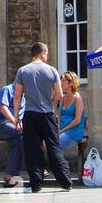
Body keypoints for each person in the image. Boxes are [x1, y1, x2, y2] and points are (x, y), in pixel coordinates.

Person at [12, 42, 73, 192]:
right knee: (54, 147)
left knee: (33, 150)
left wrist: (16, 117)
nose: (47, 56)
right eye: (47, 53)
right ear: (42, 53)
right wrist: (51, 98)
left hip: (30, 114)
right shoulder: (51, 70)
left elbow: (17, 96)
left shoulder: (23, 71)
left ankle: (36, 184)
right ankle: (65, 182)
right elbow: (59, 95)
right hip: (47, 113)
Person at [0, 80, 27, 187]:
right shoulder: (7, 90)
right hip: (0, 124)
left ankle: (10, 176)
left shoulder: (24, 96)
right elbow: (3, 107)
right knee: (23, 134)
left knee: (18, 142)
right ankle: (37, 167)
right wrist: (15, 122)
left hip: (14, 129)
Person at [58, 70, 86, 153]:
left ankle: (61, 165)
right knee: (44, 141)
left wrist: (62, 131)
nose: (61, 83)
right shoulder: (63, 98)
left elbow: (77, 120)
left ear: (71, 83)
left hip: (73, 131)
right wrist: (58, 128)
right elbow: (59, 115)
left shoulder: (77, 99)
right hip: (62, 129)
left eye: (63, 81)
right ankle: (59, 163)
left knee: (54, 145)